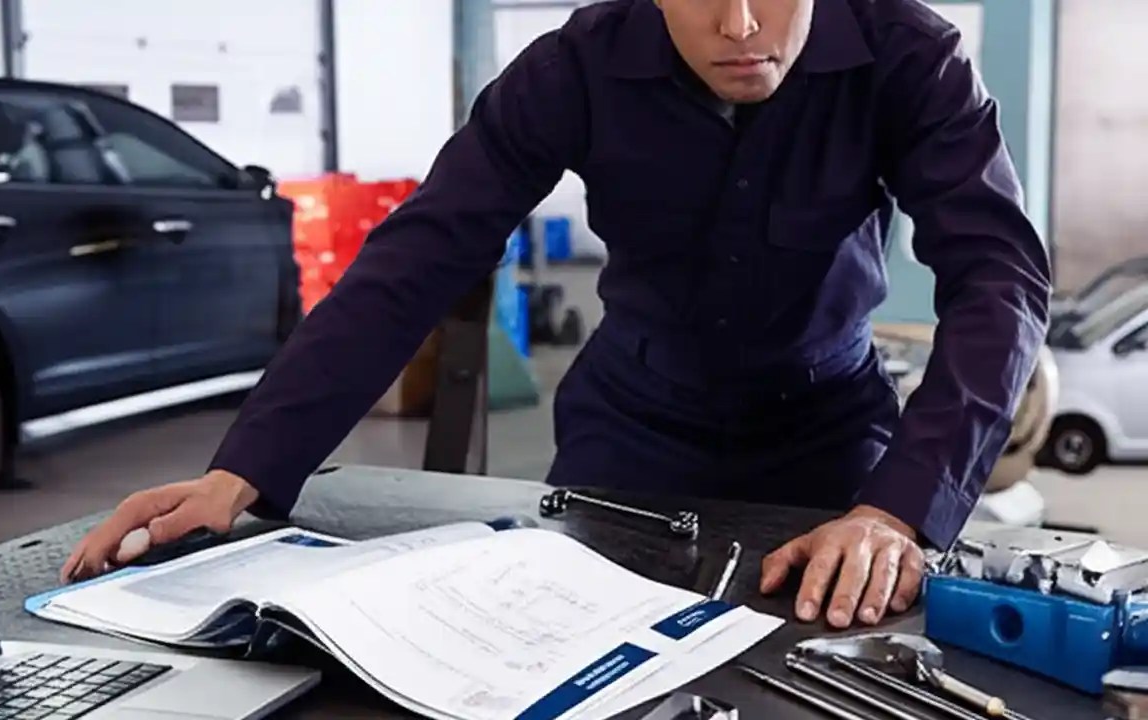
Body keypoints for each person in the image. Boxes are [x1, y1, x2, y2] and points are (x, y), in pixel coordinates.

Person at [62, 0, 1050, 630]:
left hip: (827, 440)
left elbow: (996, 277)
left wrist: (898, 509)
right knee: (558, 658)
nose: (742, 23)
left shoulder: (910, 58)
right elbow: (414, 260)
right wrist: (245, 468)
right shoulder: (568, 69)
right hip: (627, 440)